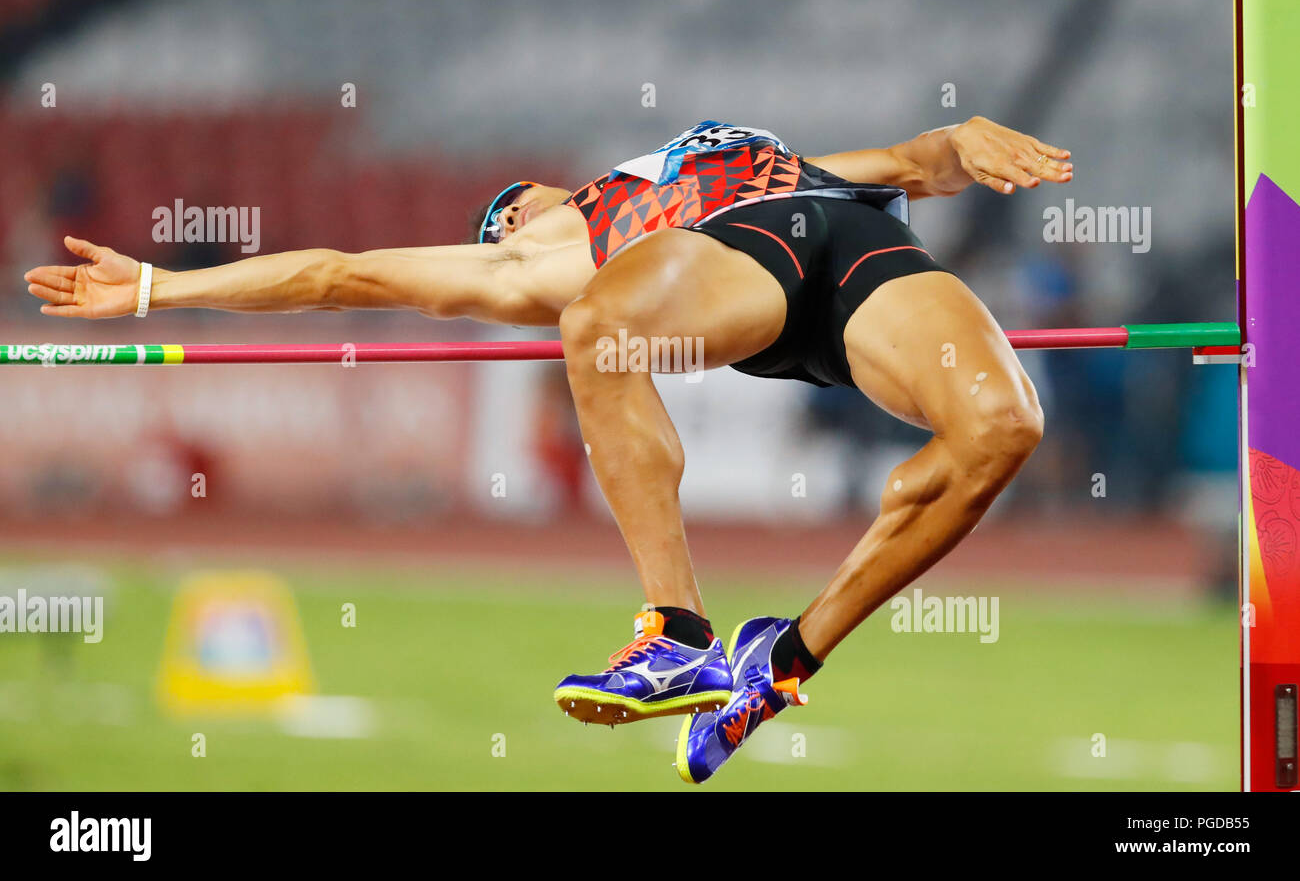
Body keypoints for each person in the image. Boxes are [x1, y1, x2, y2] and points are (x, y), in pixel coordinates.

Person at [24, 116, 1070, 783]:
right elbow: (339, 271)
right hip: (733, 268)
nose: (517, 205)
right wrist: (160, 288)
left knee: (1001, 428)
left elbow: (906, 164)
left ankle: (782, 654)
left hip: (842, 233)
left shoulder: (665, 169)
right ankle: (677, 629)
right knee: (599, 323)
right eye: (501, 218)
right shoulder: (533, 258)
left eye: (518, 199)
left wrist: (961, 140)